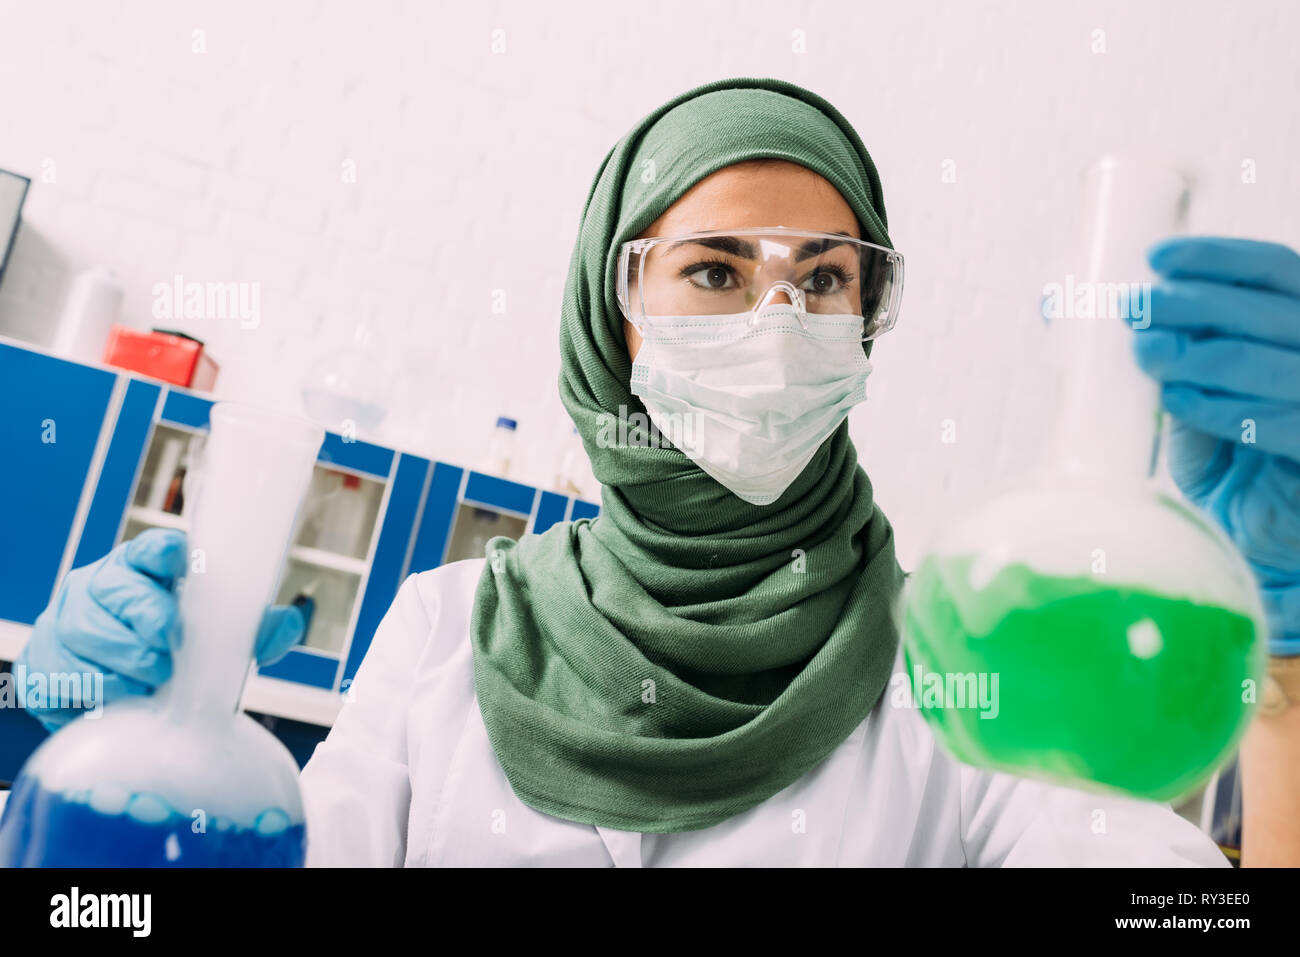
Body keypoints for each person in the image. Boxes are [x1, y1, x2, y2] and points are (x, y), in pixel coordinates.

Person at [14, 78, 1300, 866]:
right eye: (716, 271)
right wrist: (67, 742)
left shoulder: (958, 670)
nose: (775, 322)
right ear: (609, 307)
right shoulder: (448, 631)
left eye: (825, 279)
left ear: (867, 317)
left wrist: (1282, 666)